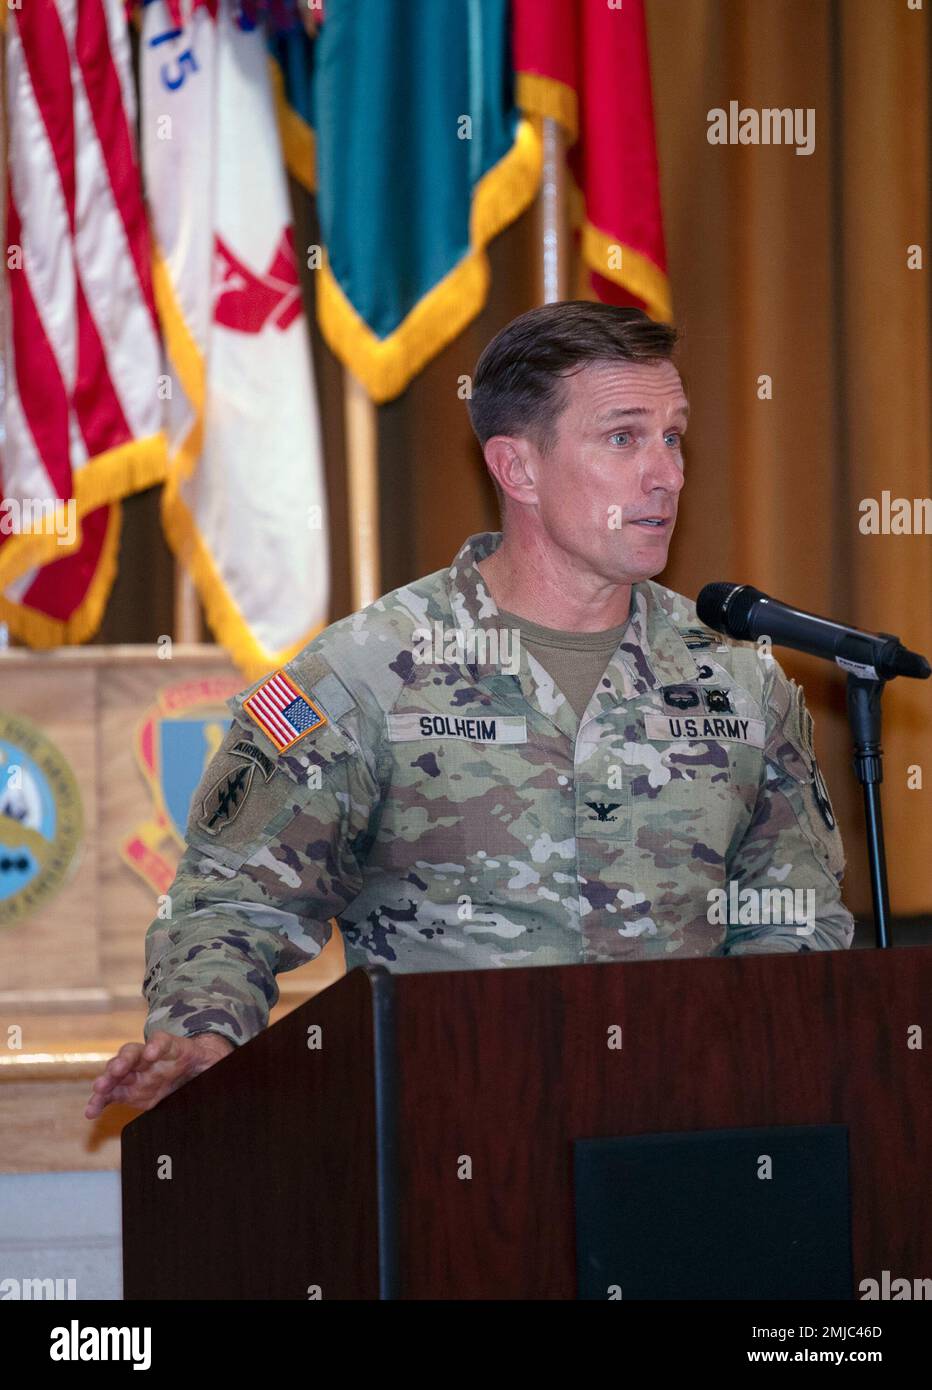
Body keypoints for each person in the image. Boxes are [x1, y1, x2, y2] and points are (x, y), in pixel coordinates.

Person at [86, 302, 854, 1119]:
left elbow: (795, 917)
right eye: (624, 438)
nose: (666, 472)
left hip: (680, 1139)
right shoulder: (362, 674)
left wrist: (778, 1076)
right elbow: (235, 898)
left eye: (674, 435)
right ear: (517, 469)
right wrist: (204, 1036)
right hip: (451, 1148)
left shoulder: (738, 679)